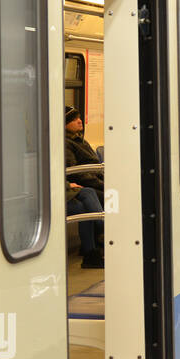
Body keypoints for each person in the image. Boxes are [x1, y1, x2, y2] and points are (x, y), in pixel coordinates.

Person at [64, 106, 105, 269]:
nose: (79, 121)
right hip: (77, 185)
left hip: (82, 184)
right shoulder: (66, 144)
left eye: (79, 117)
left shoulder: (79, 139)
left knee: (85, 206)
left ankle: (91, 250)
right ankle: (102, 230)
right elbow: (77, 173)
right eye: (74, 119)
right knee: (96, 196)